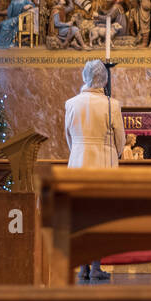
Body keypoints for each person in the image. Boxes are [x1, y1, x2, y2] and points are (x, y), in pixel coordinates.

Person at [64, 60, 126, 283]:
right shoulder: (112, 105)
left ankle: (82, 268)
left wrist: (78, 152)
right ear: (105, 80)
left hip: (78, 161)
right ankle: (97, 266)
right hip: (103, 162)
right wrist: (114, 154)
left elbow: (68, 136)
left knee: (80, 216)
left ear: (84, 77)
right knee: (98, 216)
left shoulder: (71, 103)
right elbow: (120, 139)